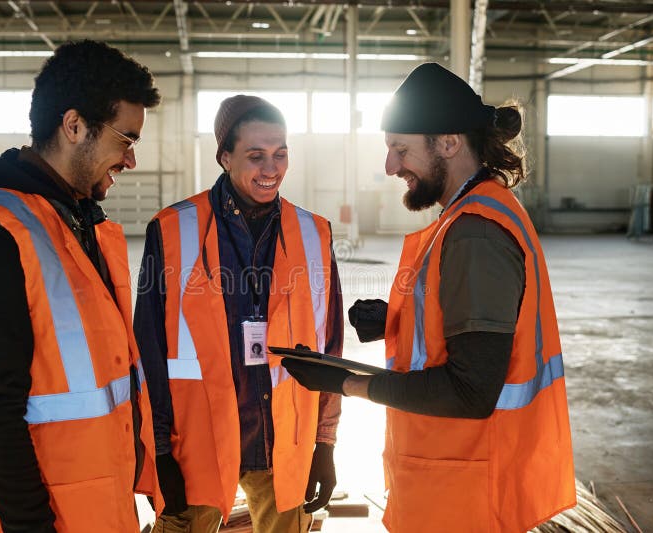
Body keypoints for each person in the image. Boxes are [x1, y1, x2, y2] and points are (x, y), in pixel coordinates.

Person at [281, 63, 576, 532]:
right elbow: (464, 323)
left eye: (401, 149)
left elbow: (470, 391)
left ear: (449, 142)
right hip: (454, 480)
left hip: (465, 492)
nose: (390, 166)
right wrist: (399, 318)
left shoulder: (474, 233)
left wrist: (345, 382)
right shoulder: (469, 216)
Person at [0, 40, 161, 532]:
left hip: (95, 511)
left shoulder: (75, 224)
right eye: (126, 139)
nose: (130, 160)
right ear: (75, 126)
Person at [134, 95, 344, 532]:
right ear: (224, 156)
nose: (272, 169)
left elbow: (330, 346)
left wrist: (324, 443)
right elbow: (148, 351)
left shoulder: (313, 232)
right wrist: (158, 452)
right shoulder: (173, 230)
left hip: (284, 445)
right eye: (256, 156)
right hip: (197, 447)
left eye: (280, 154)